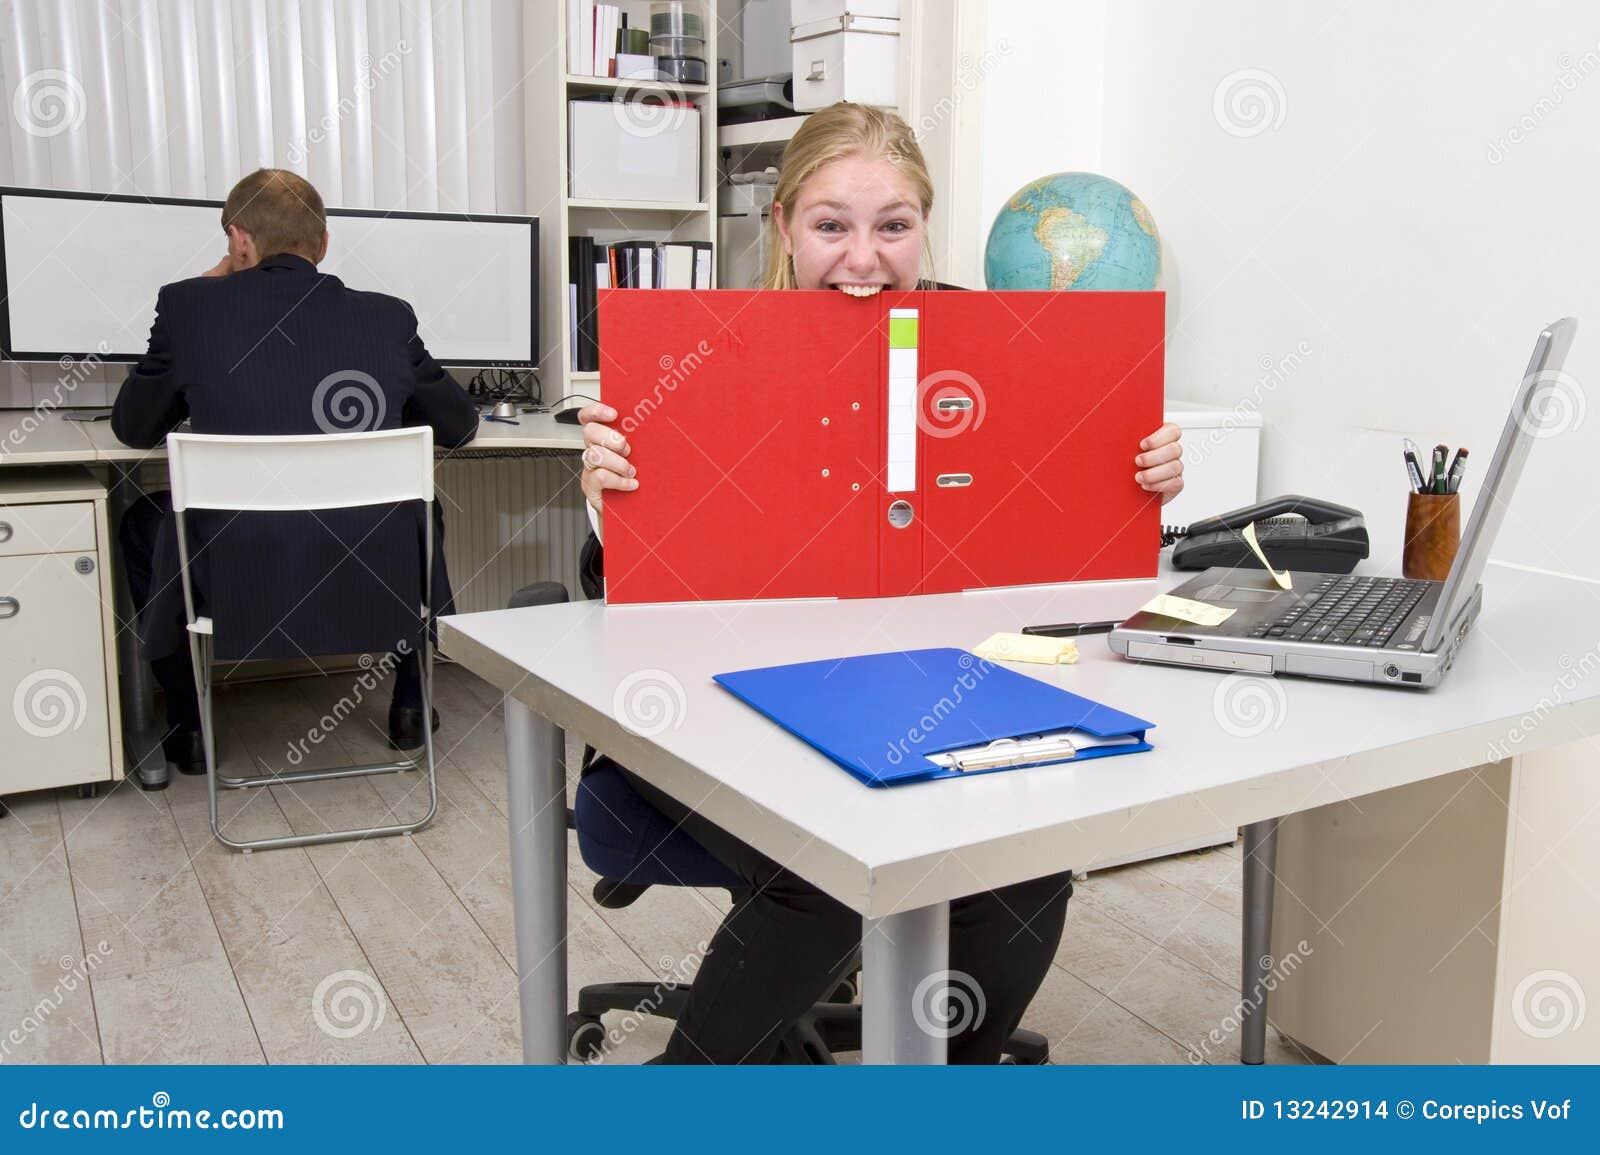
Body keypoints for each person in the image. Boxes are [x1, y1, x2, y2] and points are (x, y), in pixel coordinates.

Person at [571, 103, 1186, 1063]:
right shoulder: (695, 355)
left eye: (893, 225)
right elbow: (632, 603)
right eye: (831, 225)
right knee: (816, 872)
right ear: (781, 225)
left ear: (925, 227)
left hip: (916, 695)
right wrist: (613, 501)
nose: (864, 258)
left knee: (1025, 871)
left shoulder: (986, 353)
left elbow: (1053, 561)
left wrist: (1132, 479)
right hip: (713, 715)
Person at [113, 168, 477, 788]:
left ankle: (190, 724)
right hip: (365, 570)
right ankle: (411, 706)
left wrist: (207, 288)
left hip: (238, 572)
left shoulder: (187, 307)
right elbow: (460, 425)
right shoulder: (386, 319)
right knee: (421, 513)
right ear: (324, 245)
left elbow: (134, 428)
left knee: (141, 519)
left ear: (238, 240)